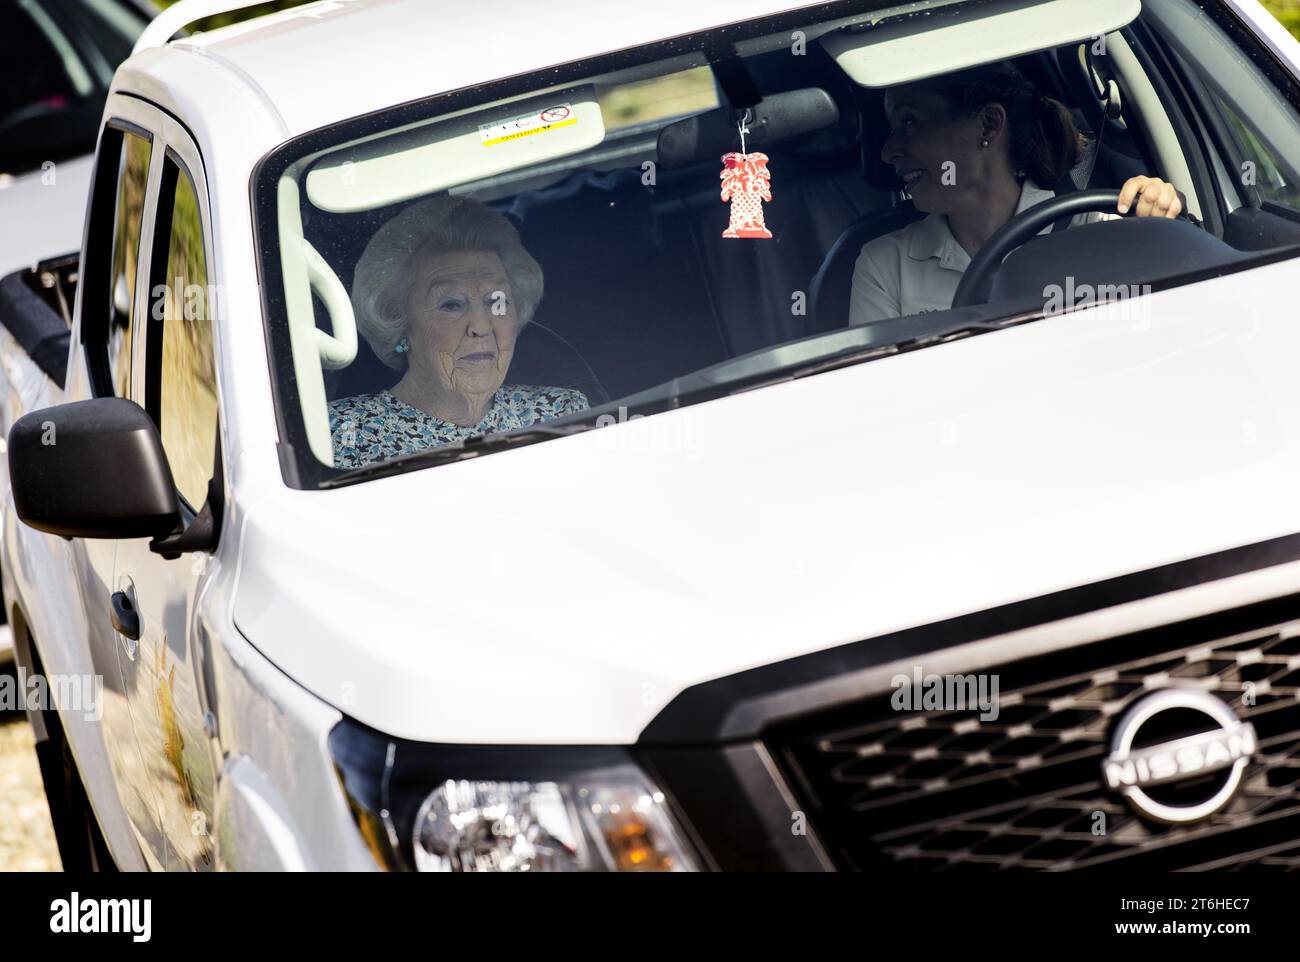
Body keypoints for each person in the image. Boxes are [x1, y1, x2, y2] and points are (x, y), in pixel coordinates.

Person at [850, 61, 1185, 325]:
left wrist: (1161, 219)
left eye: (909, 122)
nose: (887, 150)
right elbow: (884, 400)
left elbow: (1165, 328)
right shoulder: (884, 265)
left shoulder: (1096, 227)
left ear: (988, 126)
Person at [330, 195, 588, 468]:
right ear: (400, 322)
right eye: (451, 304)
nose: (480, 327)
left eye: (496, 301)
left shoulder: (559, 412)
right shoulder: (344, 433)